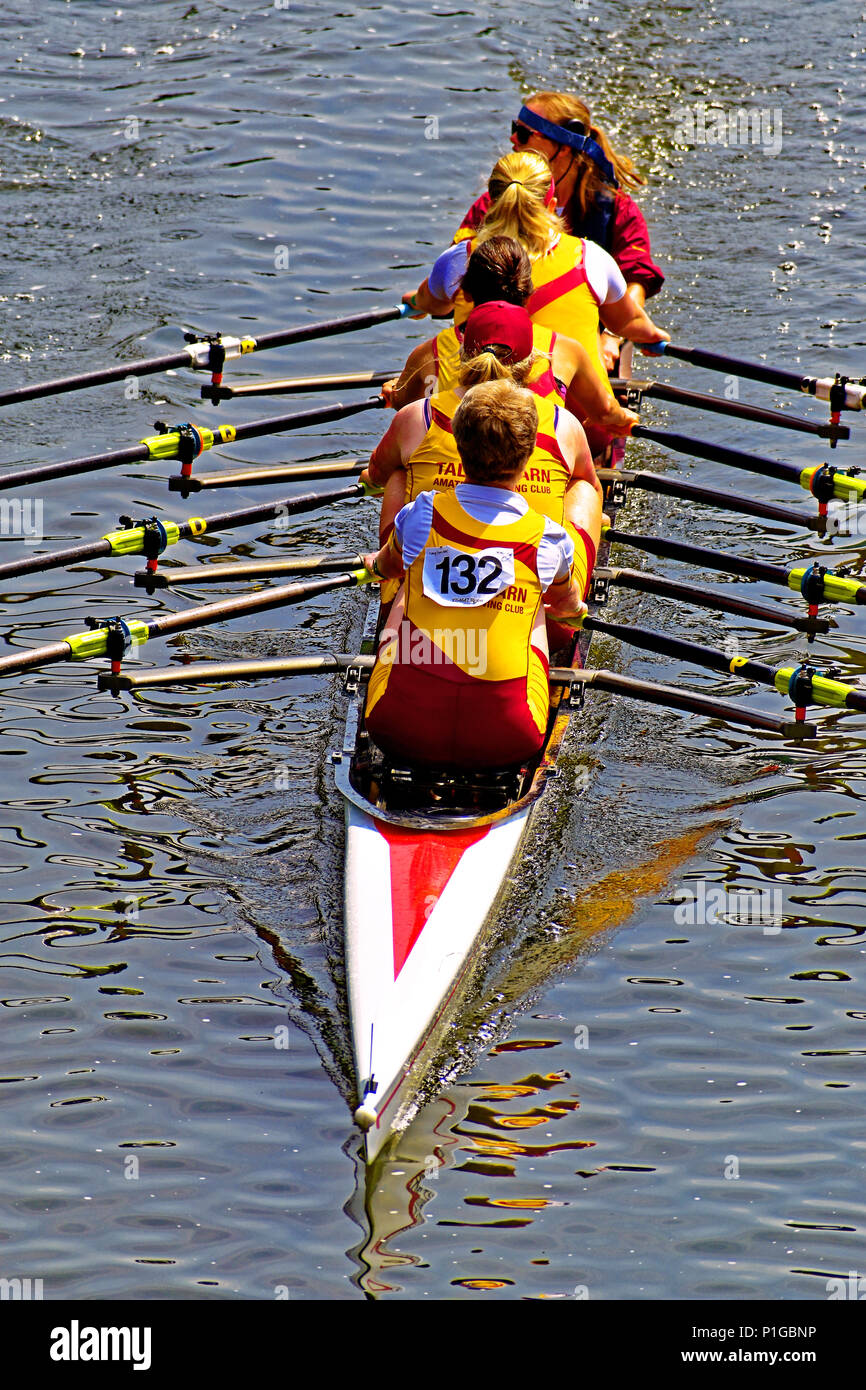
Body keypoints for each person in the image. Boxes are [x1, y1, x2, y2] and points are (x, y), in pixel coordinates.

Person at [362, 379, 588, 768]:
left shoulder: (422, 513)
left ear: (459, 446)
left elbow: (386, 567)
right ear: (529, 453)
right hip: (508, 737)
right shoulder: (550, 539)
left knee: (404, 589)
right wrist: (572, 608)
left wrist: (374, 565)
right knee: (538, 600)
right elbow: (567, 611)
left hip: (399, 728)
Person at [360, 300, 602, 613]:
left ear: (462, 355)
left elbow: (376, 474)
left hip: (419, 604)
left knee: (396, 474)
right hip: (537, 610)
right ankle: (568, 599)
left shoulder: (415, 416)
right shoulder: (562, 424)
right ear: (532, 364)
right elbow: (593, 479)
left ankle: (391, 576)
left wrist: (374, 476)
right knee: (584, 488)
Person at [403, 150, 667, 394]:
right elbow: (628, 323)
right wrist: (652, 335)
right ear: (551, 206)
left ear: (492, 204)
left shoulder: (459, 260)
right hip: (580, 417)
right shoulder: (591, 258)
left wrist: (415, 302)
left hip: (478, 417)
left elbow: (432, 304)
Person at [454, 91, 665, 369]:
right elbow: (456, 270)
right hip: (496, 339)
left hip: (593, 334)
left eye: (524, 133)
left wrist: (613, 337)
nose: (513, 139)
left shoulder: (617, 209)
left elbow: (635, 278)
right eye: (514, 129)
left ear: (564, 147)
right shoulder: (493, 203)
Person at [386, 234, 637, 442]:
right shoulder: (564, 350)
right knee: (586, 482)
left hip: (449, 481)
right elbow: (604, 413)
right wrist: (622, 418)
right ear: (529, 295)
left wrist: (393, 391)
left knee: (397, 467)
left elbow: (401, 403)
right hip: (532, 480)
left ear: (467, 294)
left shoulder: (429, 352)